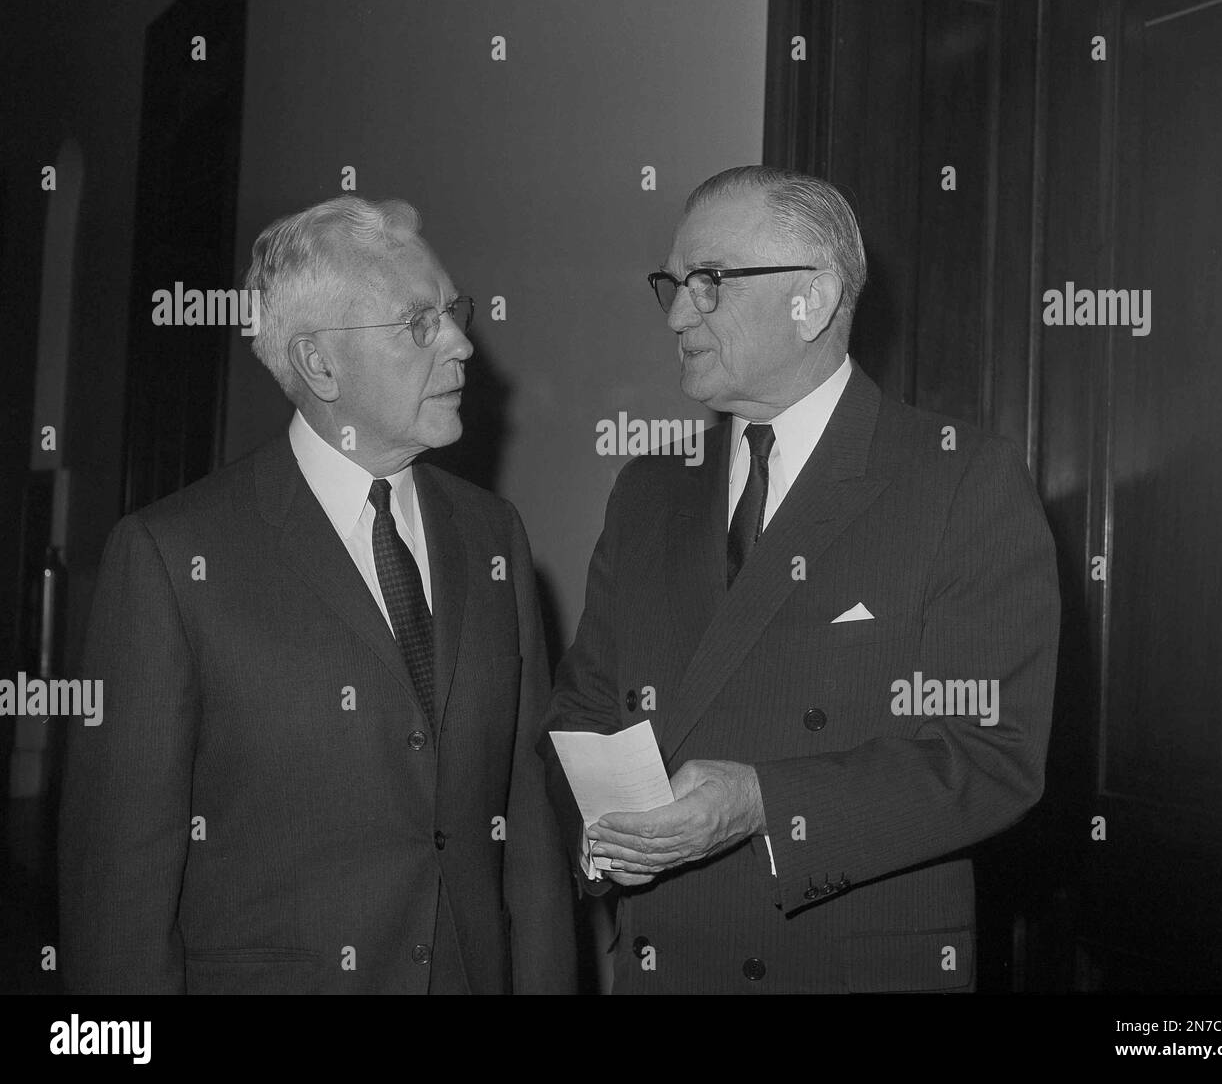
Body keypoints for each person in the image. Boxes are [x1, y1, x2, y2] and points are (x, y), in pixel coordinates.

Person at [541, 166, 1059, 993]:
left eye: (709, 282)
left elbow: (990, 755)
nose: (678, 314)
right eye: (673, 284)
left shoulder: (957, 480)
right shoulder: (649, 490)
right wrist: (606, 838)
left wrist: (763, 801)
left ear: (812, 300)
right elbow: (586, 706)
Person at [59, 196, 576, 994]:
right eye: (418, 324)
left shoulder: (492, 535)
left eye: (453, 311)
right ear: (320, 363)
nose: (464, 344)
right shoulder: (172, 556)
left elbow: (529, 824)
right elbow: (118, 894)